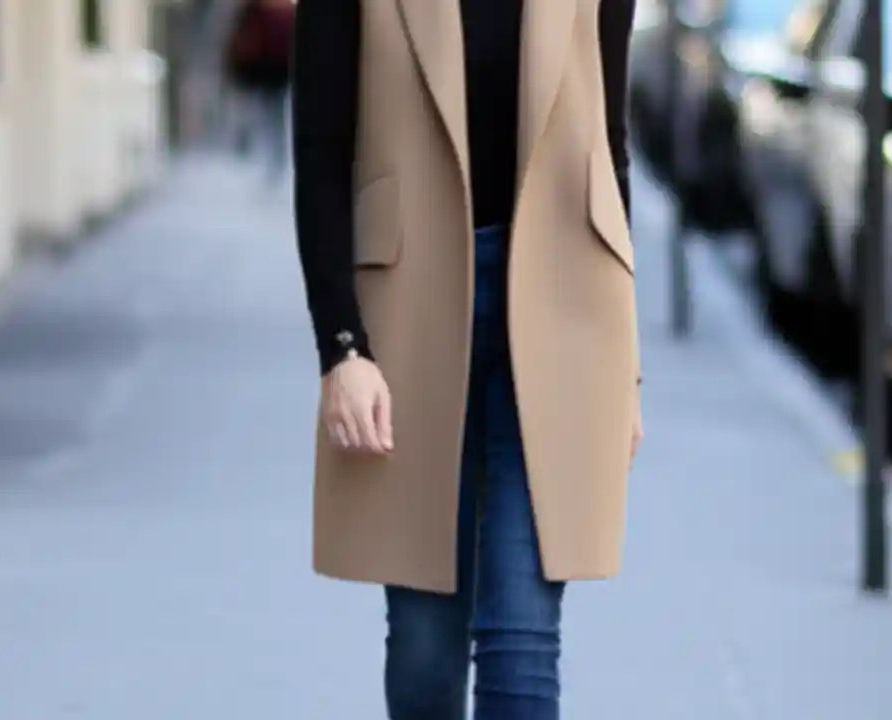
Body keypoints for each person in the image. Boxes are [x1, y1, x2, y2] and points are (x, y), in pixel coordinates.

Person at [292, 0, 641, 717]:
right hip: (407, 313)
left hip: (562, 309)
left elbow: (609, 139)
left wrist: (626, 368)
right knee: (425, 647)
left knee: (523, 645)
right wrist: (342, 348)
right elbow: (322, 151)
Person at [223, 0, 296, 183]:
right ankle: (267, 153)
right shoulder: (260, 11)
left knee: (269, 113)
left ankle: (269, 154)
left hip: (270, 71)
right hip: (267, 71)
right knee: (268, 113)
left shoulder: (261, 11)